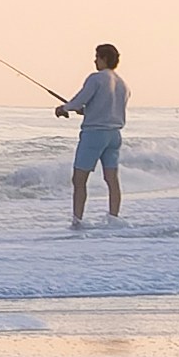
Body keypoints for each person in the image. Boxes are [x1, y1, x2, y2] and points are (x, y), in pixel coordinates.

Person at [57, 45, 130, 226]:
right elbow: (106, 106)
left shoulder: (96, 78)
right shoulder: (122, 83)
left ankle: (77, 220)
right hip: (114, 135)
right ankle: (113, 218)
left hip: (94, 135)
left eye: (97, 57)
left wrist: (63, 108)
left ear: (104, 58)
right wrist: (87, 111)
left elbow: (80, 99)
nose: (95, 60)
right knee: (111, 179)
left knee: (79, 179)